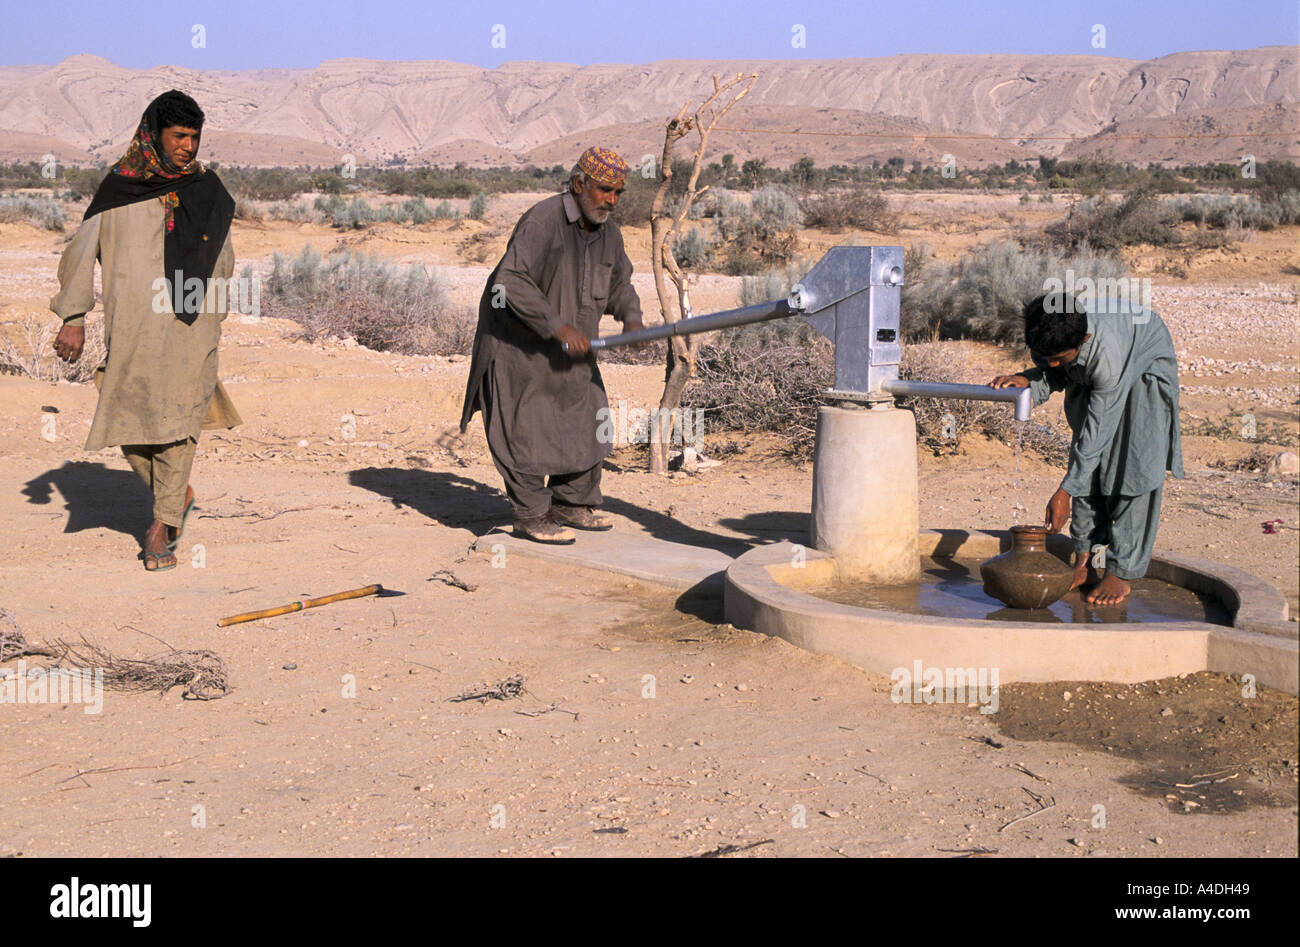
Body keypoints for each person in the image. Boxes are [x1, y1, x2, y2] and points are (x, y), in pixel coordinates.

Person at [51, 90, 240, 572]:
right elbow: (79, 253)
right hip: (131, 327)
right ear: (154, 134)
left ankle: (160, 525)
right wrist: (74, 317)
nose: (188, 147)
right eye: (179, 136)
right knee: (128, 417)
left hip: (190, 325)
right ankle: (172, 495)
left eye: (195, 137)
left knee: (180, 418)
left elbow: (224, 257)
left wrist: (212, 315)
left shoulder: (207, 190)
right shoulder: (119, 188)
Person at [459, 146, 645, 544]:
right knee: (522, 428)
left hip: (573, 350)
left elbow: (620, 284)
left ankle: (570, 502)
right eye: (605, 190)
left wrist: (631, 316)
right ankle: (532, 513)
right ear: (579, 184)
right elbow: (509, 281)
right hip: (519, 345)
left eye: (619, 193)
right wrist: (557, 327)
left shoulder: (610, 233)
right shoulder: (543, 220)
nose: (612, 200)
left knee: (588, 418)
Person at [990, 291, 1184, 605]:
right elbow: (1054, 373)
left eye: (1059, 359)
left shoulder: (1106, 355)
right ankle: (1086, 562)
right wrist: (1028, 380)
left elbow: (1098, 432)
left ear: (1086, 338)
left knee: (1131, 465)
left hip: (1142, 364)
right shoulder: (1054, 333)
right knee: (1086, 461)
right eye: (1044, 356)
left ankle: (1121, 572)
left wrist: (1065, 490)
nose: (1051, 364)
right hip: (1094, 361)